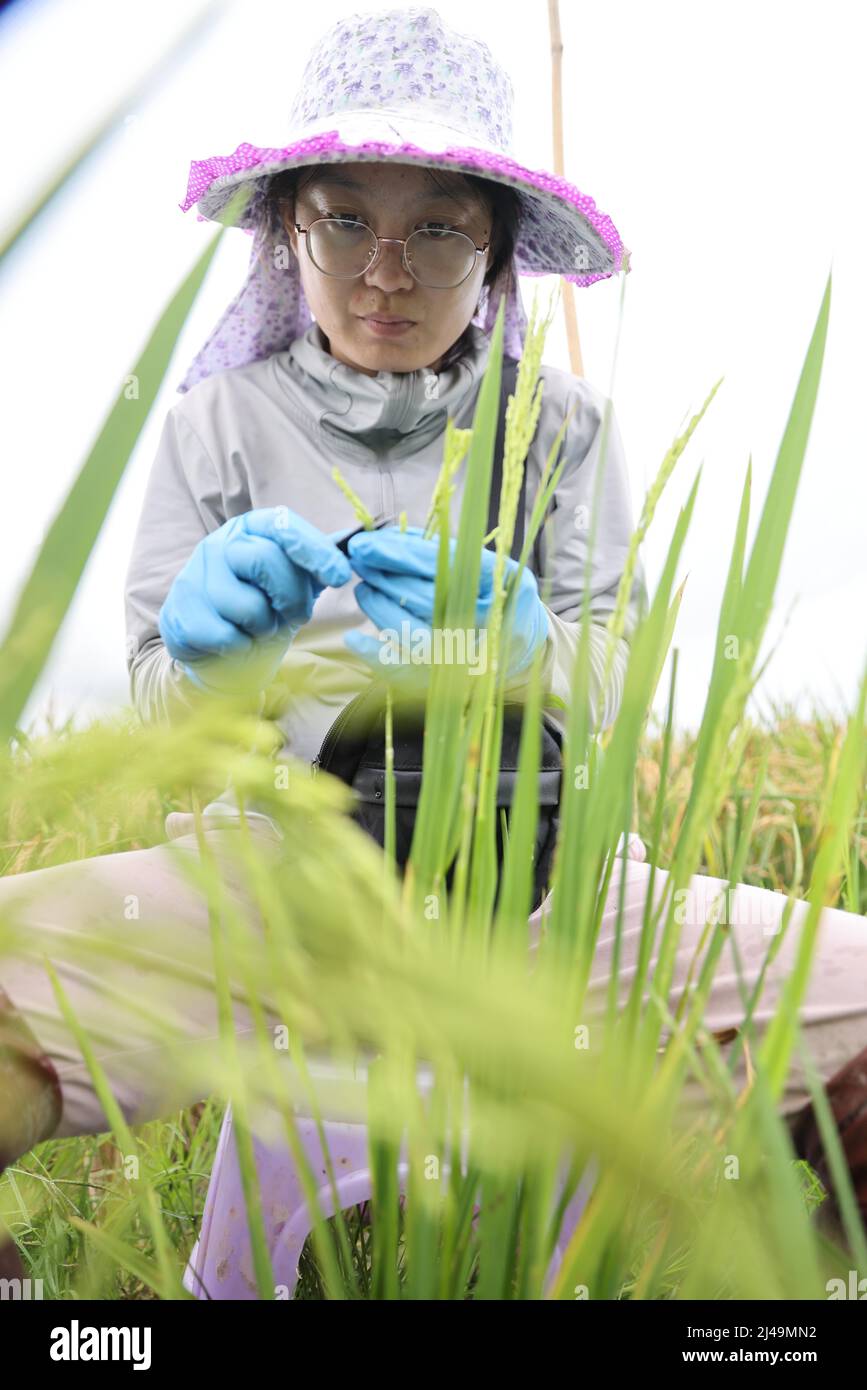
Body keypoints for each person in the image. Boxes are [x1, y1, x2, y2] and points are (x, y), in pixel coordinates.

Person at [1, 6, 866, 1281]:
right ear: (288, 224)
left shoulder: (562, 426)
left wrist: (531, 650)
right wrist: (202, 662)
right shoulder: (213, 424)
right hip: (276, 888)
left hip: (554, 888)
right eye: (344, 219)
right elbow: (149, 712)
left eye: (438, 232)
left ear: (499, 248)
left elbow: (627, 682)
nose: (385, 273)